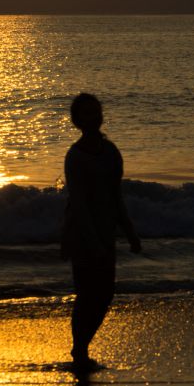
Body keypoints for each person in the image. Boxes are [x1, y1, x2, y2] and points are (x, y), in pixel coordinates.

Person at [61, 92, 141, 371]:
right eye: (86, 113)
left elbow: (116, 195)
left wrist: (129, 231)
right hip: (81, 234)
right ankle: (79, 352)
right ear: (76, 120)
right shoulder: (75, 157)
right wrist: (92, 242)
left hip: (106, 230)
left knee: (105, 294)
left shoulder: (111, 152)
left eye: (95, 112)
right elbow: (79, 204)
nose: (92, 117)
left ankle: (82, 346)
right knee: (86, 294)